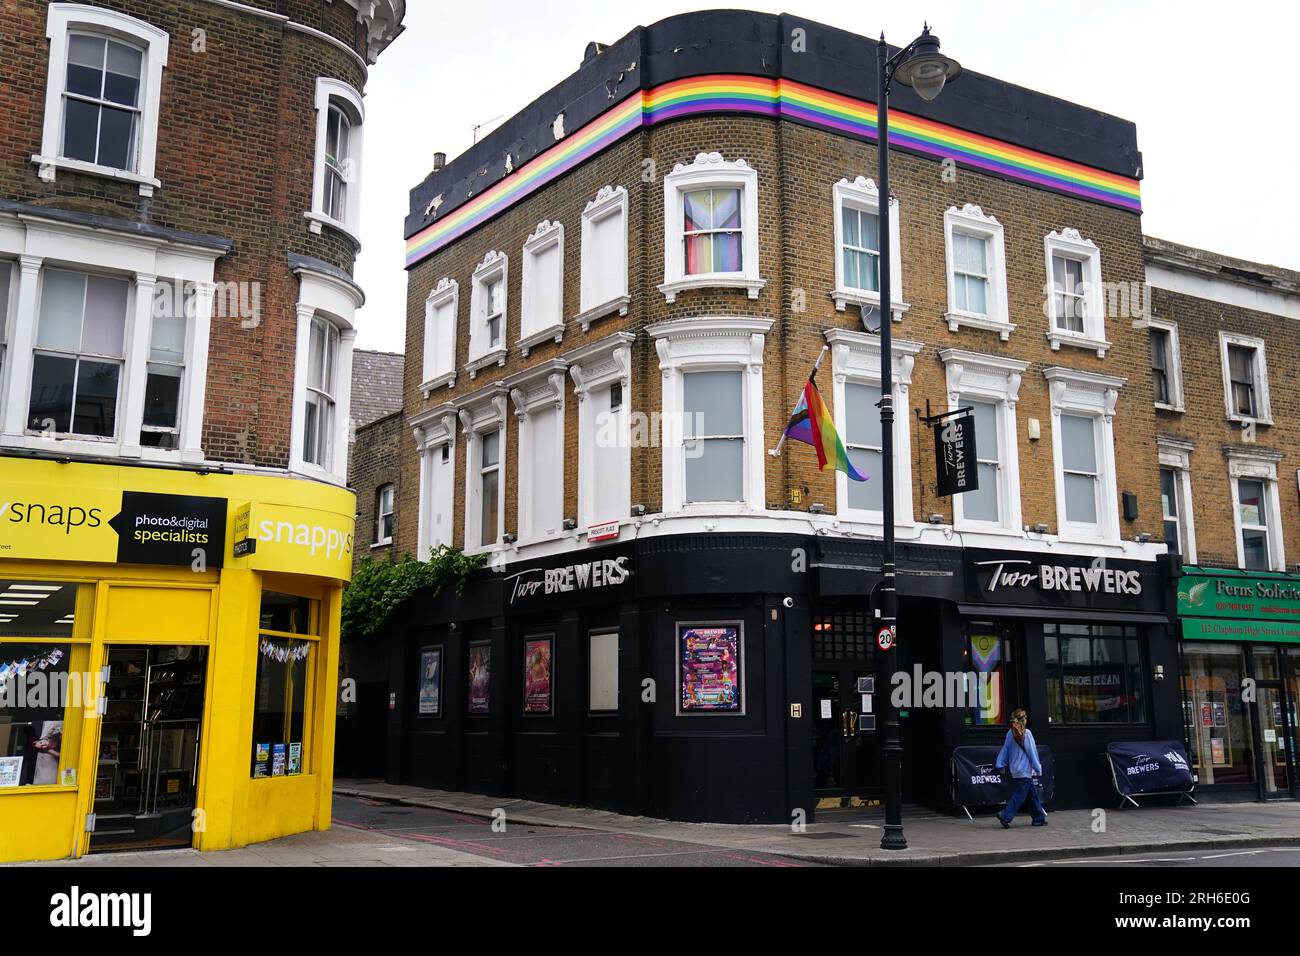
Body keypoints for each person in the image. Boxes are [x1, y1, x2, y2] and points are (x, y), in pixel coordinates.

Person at [994, 708, 1047, 828]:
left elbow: (1005, 750)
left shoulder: (1010, 733)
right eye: (1025, 717)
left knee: (1032, 795)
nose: (1027, 719)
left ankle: (1039, 818)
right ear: (1022, 720)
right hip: (1024, 770)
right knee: (1019, 796)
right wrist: (1037, 767)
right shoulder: (1027, 734)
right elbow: (1032, 753)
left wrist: (1000, 764)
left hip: (1015, 769)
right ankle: (1005, 815)